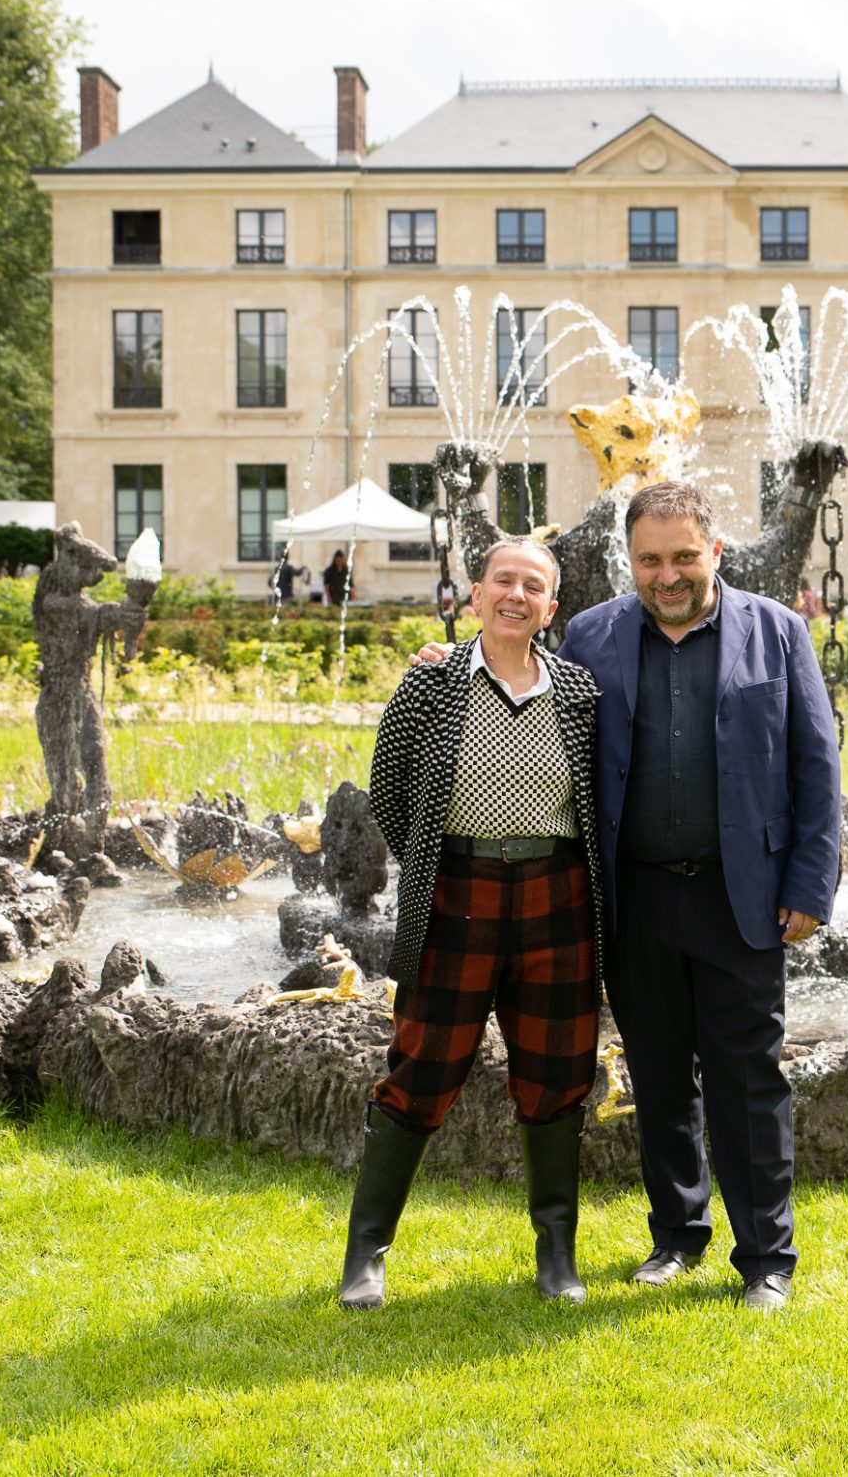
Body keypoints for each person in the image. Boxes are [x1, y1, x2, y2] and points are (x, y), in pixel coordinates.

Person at [427, 480, 841, 1309]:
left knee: (748, 1080)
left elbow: (816, 764)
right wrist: (449, 669)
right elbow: (523, 700)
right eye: (650, 559)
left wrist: (809, 886)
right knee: (656, 1075)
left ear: (714, 551)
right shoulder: (591, 635)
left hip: (744, 897)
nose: (668, 574)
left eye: (684, 555)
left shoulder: (778, 633)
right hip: (633, 898)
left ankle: (766, 1258)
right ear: (631, 560)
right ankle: (677, 1235)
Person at [342, 539, 605, 1310]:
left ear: (552, 607)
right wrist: (437, 859)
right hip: (456, 894)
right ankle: (366, 1256)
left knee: (558, 1076)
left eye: (534, 585)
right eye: (503, 581)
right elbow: (388, 790)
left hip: (557, 899)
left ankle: (557, 1256)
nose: (516, 595)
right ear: (476, 593)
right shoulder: (430, 683)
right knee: (422, 1068)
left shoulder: (580, 693)